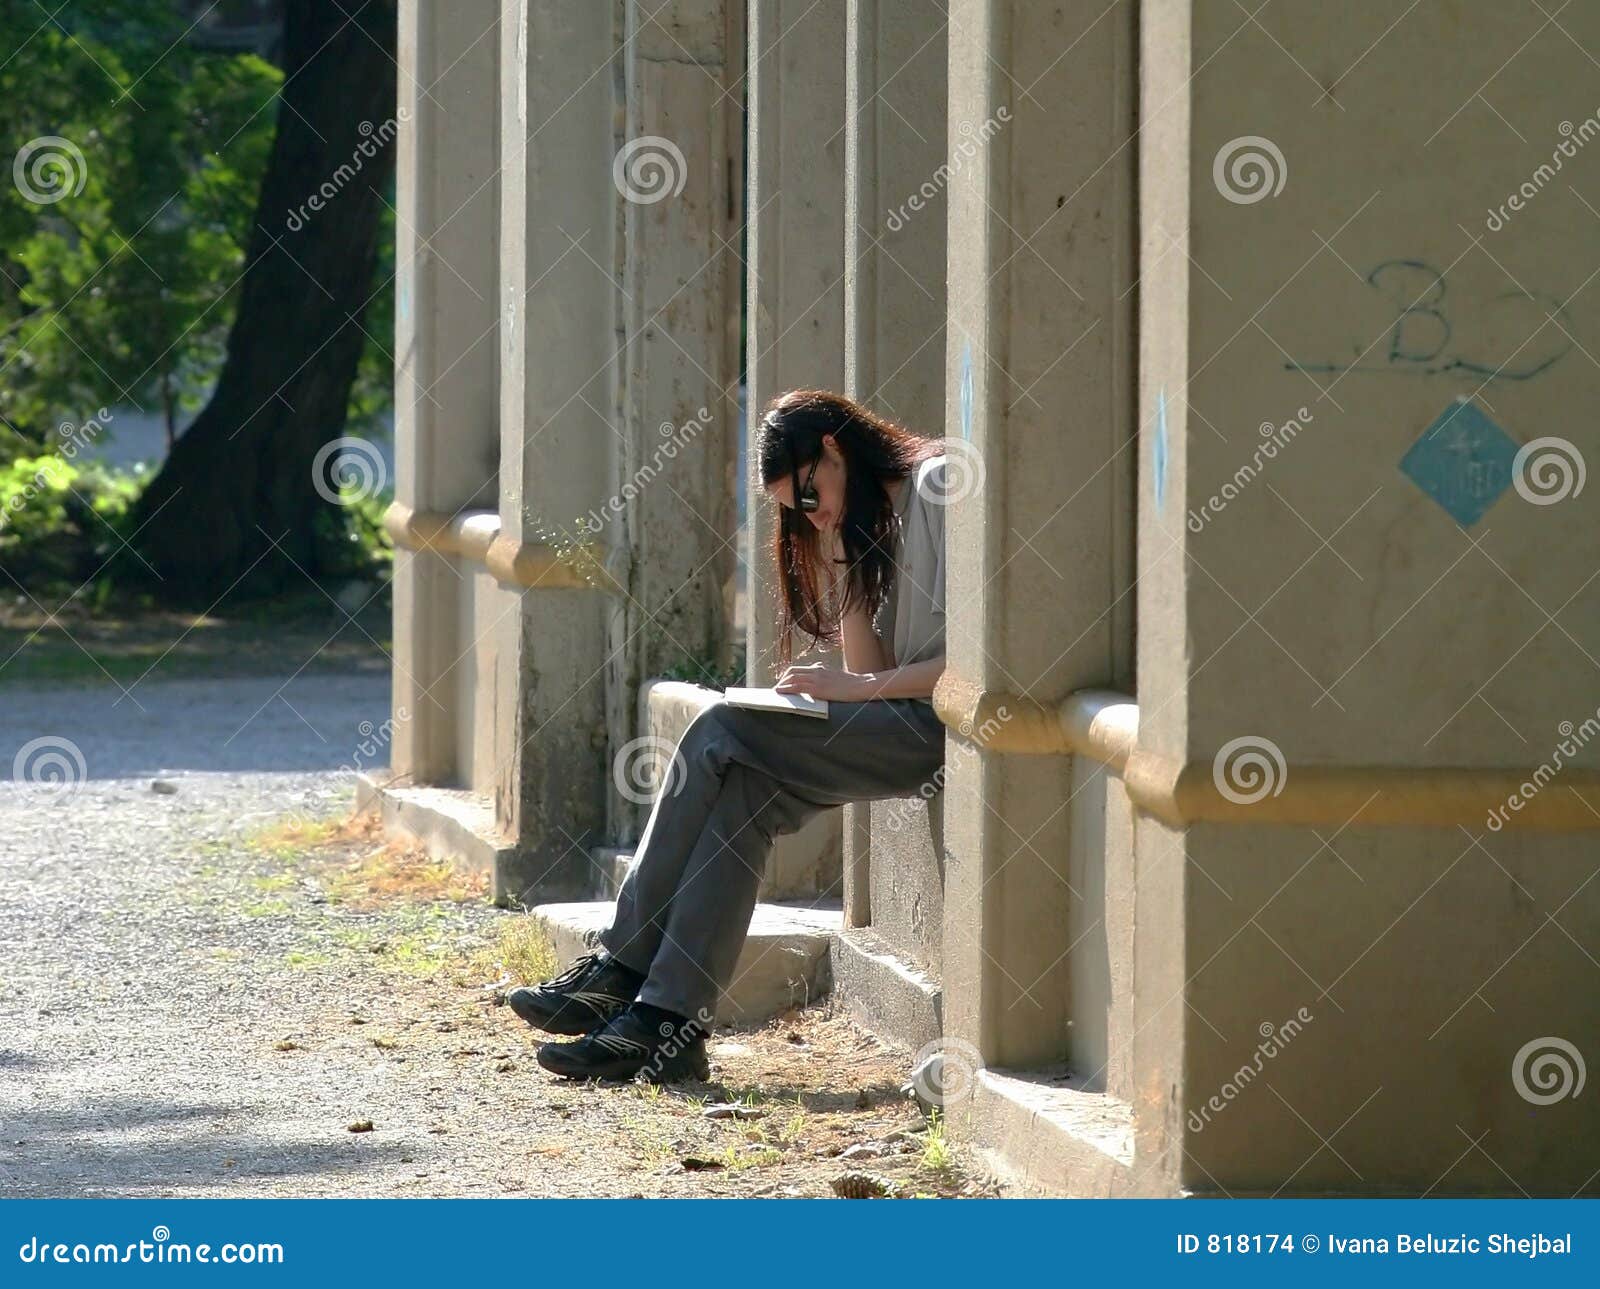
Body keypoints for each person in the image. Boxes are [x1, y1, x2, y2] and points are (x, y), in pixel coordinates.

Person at [509, 388, 950, 1081]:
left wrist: (853, 690)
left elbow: (975, 666)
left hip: (943, 734)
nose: (811, 515)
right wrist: (843, 549)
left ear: (832, 448)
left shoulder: (938, 485)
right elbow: (872, 668)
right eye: (796, 510)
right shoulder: (875, 519)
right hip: (898, 727)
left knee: (720, 727)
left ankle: (619, 962)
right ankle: (666, 1023)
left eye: (809, 496)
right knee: (742, 791)